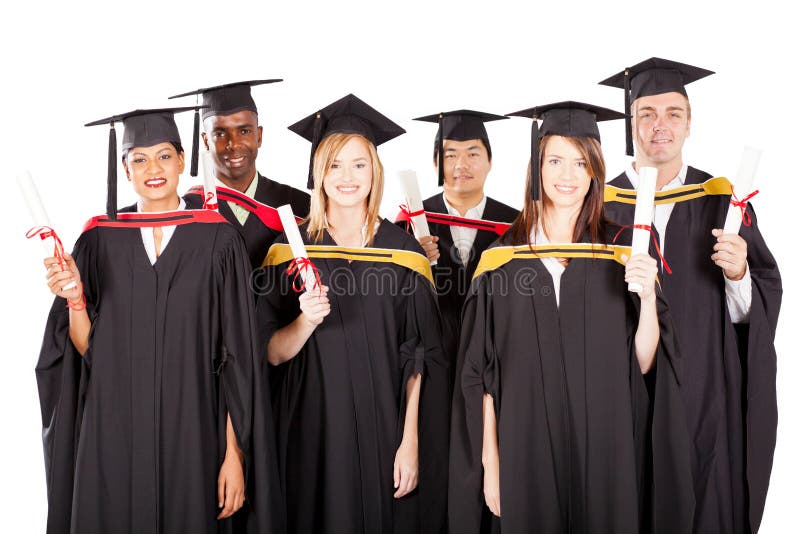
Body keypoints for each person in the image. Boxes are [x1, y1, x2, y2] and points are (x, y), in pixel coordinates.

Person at [449, 101, 694, 534]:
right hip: (524, 450)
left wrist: (648, 300)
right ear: (537, 168)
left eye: (580, 163)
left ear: (595, 172)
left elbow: (642, 364)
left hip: (606, 448)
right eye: (555, 161)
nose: (567, 176)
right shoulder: (502, 259)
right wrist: (492, 464)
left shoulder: (619, 250)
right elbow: (480, 375)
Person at [36, 108, 283, 534]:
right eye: (140, 159)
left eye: (164, 156)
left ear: (183, 161)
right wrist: (76, 300)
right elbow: (86, 351)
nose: (154, 169)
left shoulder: (218, 240)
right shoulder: (98, 240)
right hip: (113, 434)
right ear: (124, 168)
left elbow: (237, 358)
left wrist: (234, 456)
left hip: (194, 433)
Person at [599, 58, 782, 534]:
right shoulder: (597, 204)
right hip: (623, 387)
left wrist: (740, 273)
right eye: (647, 113)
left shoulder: (722, 198)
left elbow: (755, 314)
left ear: (689, 122)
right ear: (630, 121)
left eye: (673, 113)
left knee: (705, 502)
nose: (660, 124)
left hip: (704, 389)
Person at [257, 94, 448, 533]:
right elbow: (270, 354)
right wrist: (304, 319)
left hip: (383, 428)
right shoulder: (289, 250)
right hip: (308, 429)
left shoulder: (403, 253)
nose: (347, 177)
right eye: (335, 165)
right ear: (318, 173)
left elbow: (418, 353)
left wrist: (410, 441)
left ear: (375, 171)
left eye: (359, 164)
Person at [401, 110, 518, 382]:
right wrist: (414, 263)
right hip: (430, 367)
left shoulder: (517, 225)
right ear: (435, 163)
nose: (461, 164)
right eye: (450, 155)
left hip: (496, 364)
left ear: (490, 161)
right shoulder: (411, 223)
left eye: (473, 154)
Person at [170, 79, 310, 269]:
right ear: (205, 141)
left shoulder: (298, 205)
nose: (233, 144)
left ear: (259, 136)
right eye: (219, 134)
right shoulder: (186, 211)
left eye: (244, 131)